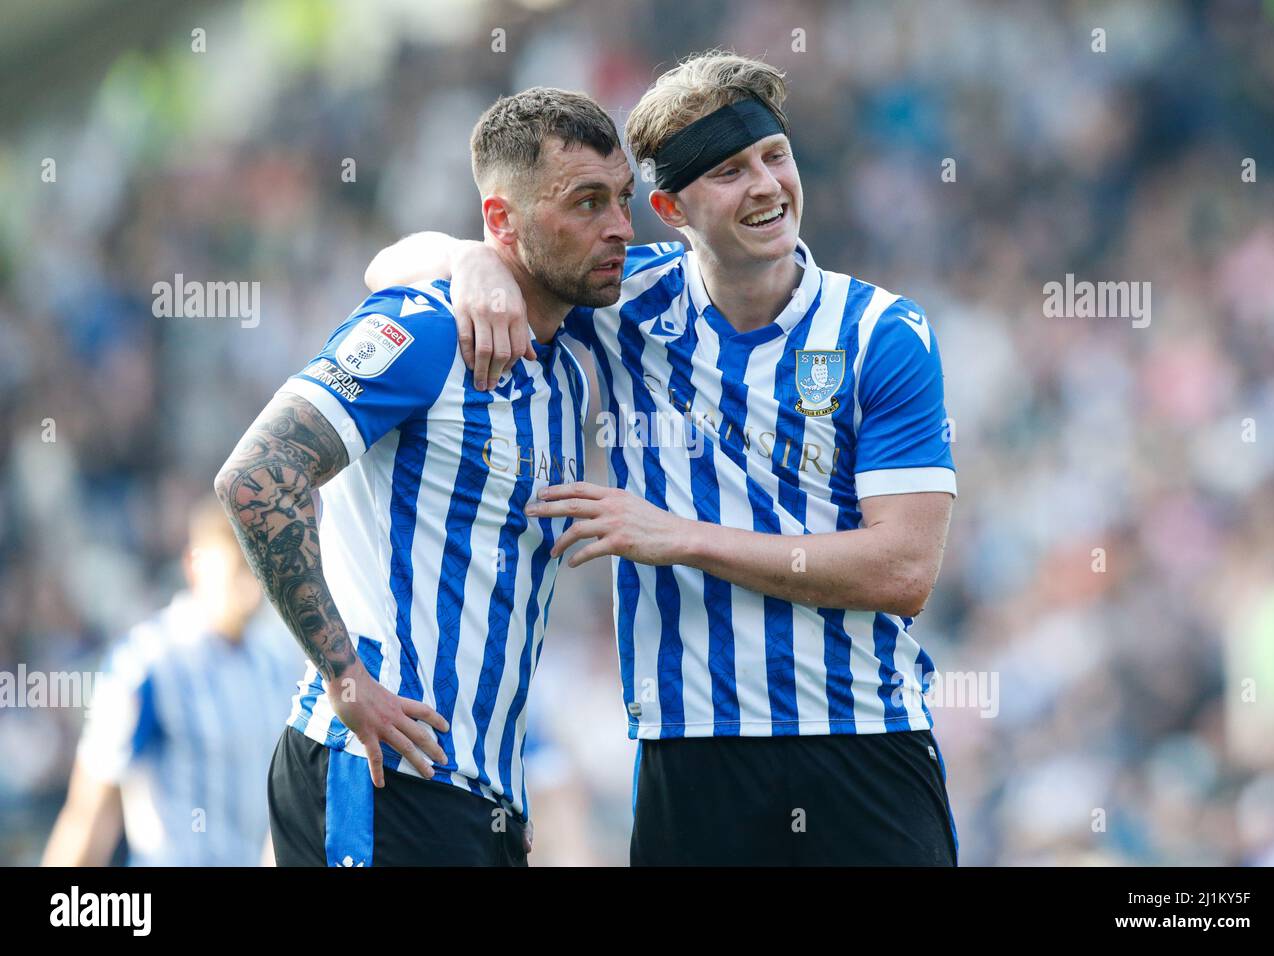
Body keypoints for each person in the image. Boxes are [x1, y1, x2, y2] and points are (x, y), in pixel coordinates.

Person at [364, 52, 960, 866]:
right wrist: (472, 261)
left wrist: (677, 535)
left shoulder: (882, 334)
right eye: (728, 171)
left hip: (859, 742)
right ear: (671, 206)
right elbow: (388, 267)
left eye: (773, 157)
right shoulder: (623, 302)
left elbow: (903, 571)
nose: (765, 186)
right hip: (687, 755)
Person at [214, 87, 634, 866]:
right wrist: (344, 679)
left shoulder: (573, 360)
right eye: (586, 202)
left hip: (479, 801)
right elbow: (258, 475)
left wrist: (466, 253)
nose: (617, 226)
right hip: (381, 773)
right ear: (504, 220)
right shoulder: (425, 327)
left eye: (623, 199)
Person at [42, 501, 301, 866]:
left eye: (257, 572)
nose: (250, 591)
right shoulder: (148, 663)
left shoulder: (277, 663)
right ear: (195, 566)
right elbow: (90, 811)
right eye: (236, 571)